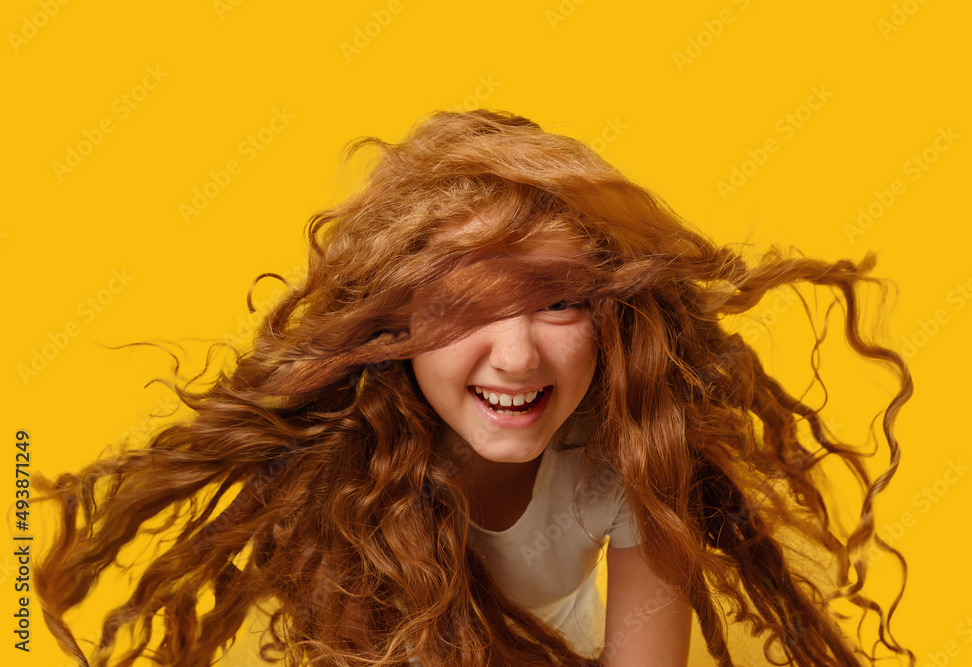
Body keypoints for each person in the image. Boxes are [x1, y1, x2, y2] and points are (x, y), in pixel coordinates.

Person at [36, 109, 914, 666]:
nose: (517, 356)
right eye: (467, 305)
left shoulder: (634, 460)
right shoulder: (350, 467)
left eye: (559, 302)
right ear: (395, 320)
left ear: (612, 314)